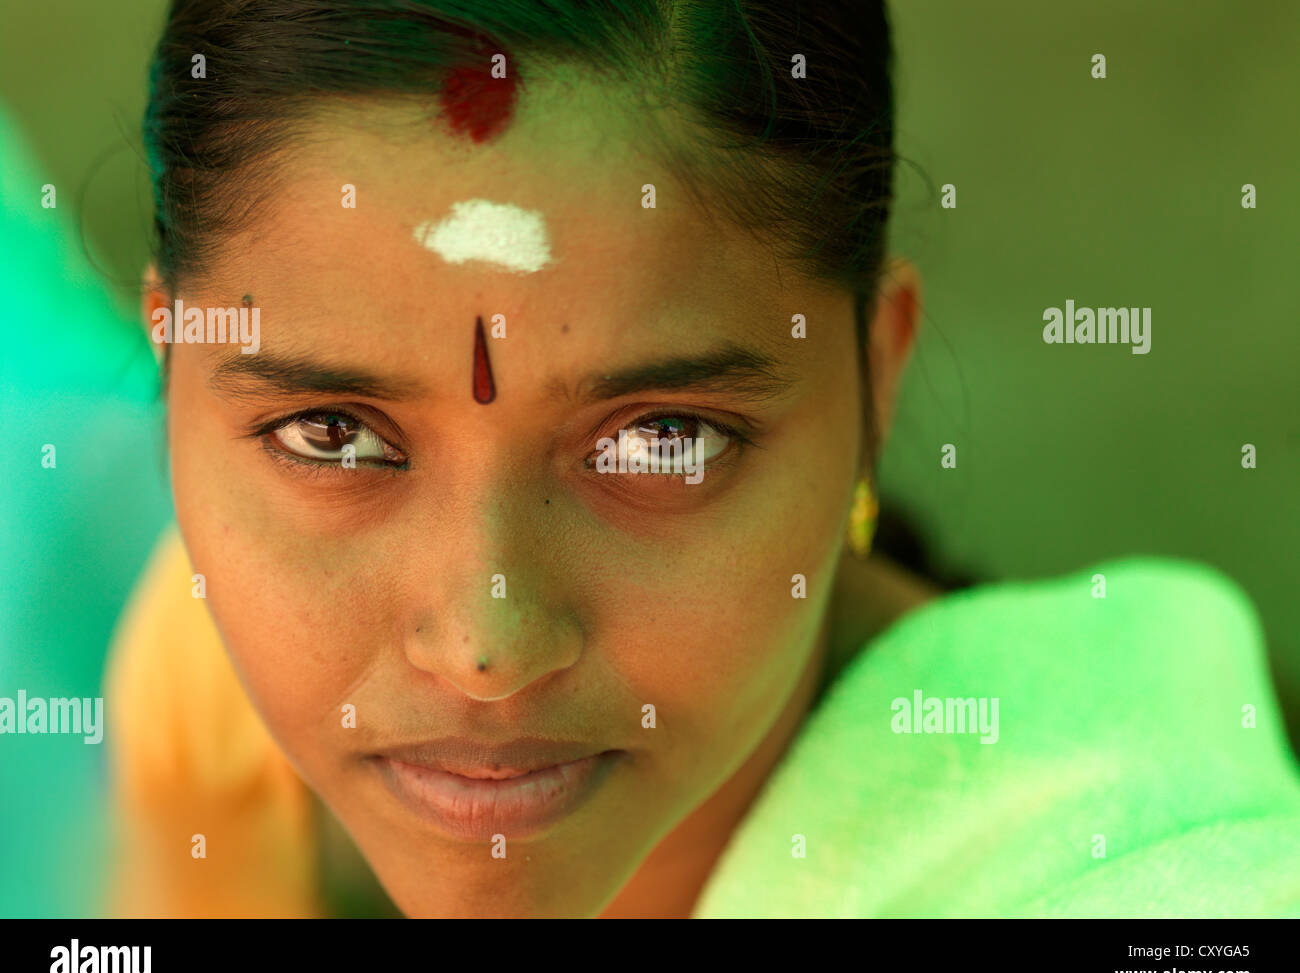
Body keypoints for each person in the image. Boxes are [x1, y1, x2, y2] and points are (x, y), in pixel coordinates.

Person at [103, 0, 1300, 918]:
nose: (482, 647)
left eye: (660, 438)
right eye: (333, 435)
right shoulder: (204, 682)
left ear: (876, 379)